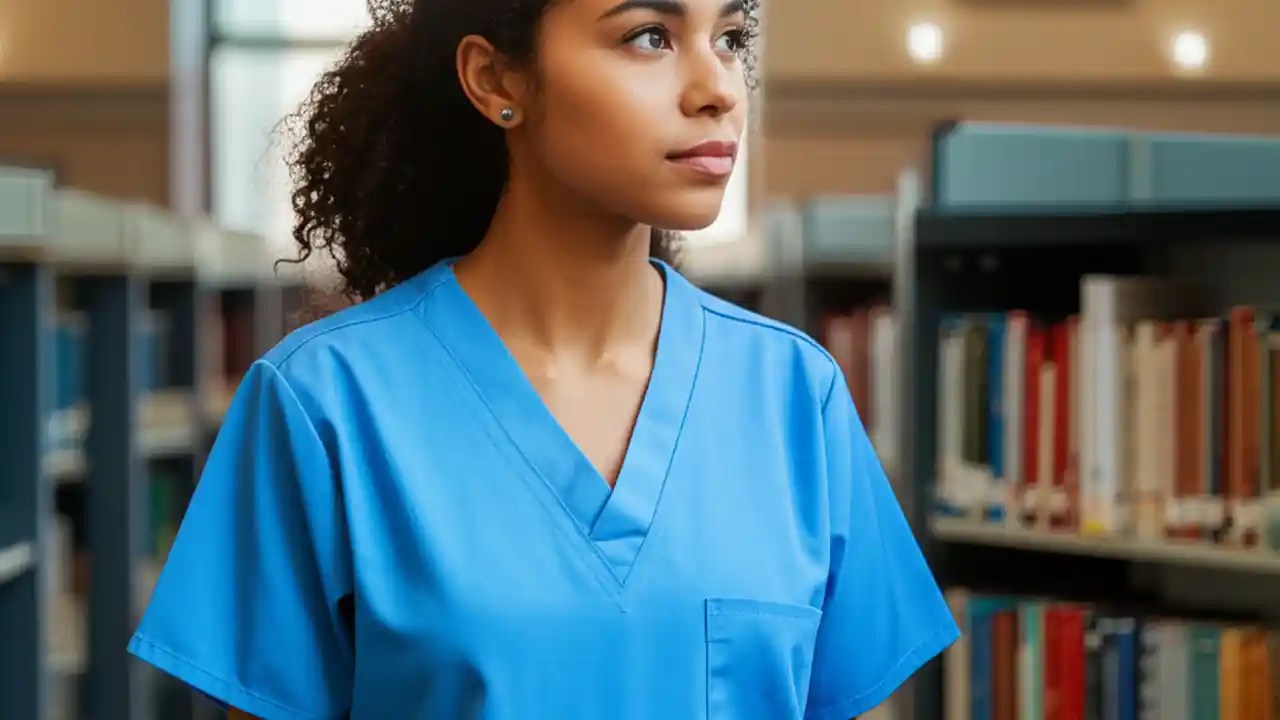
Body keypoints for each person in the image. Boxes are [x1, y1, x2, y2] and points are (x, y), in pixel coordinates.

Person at [127, 0, 959, 717]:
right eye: (648, 36)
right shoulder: (323, 405)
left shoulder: (794, 397)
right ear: (497, 82)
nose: (718, 90)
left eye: (731, 37)